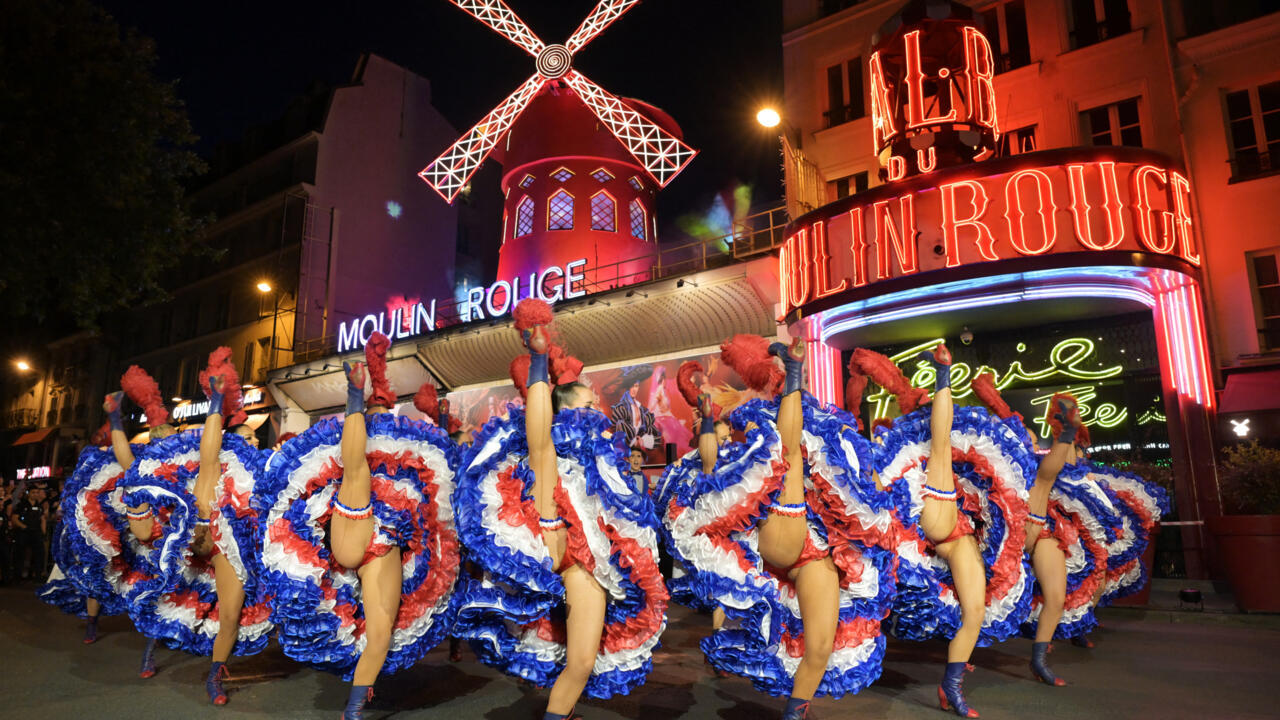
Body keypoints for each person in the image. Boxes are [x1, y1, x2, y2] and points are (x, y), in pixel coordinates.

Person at [452, 298, 667, 720]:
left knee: (580, 660)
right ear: (564, 410)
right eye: (586, 407)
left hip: (591, 567)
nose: (595, 414)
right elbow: (538, 429)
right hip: (563, 553)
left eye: (594, 407)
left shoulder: (607, 464)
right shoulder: (552, 453)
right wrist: (537, 361)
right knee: (580, 660)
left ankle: (561, 713)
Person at [666, 335, 897, 720]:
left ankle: (795, 712)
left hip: (813, 555)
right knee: (788, 459)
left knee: (820, 647)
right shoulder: (759, 451)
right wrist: (711, 419)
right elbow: (745, 458)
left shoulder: (833, 453)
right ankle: (793, 370)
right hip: (782, 533)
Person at [259, 333, 460, 720]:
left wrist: (441, 422)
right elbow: (355, 463)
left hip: (366, 545)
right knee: (356, 474)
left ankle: (354, 708)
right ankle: (353, 706)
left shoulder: (406, 469)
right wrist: (357, 395)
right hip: (359, 534)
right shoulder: (366, 469)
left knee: (380, 633)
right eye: (379, 414)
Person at [854, 347, 1037, 719]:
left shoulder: (928, 464)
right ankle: (951, 686)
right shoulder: (926, 458)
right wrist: (942, 375)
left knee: (974, 613)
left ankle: (951, 687)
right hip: (939, 523)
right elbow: (941, 430)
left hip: (946, 535)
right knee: (940, 446)